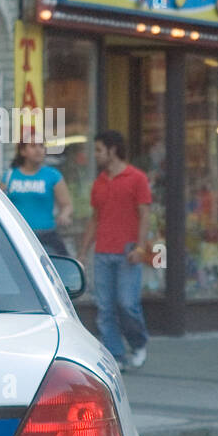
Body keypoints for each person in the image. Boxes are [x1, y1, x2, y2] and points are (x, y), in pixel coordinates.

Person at [81, 130, 152, 370]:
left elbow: (145, 215)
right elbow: (94, 219)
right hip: (102, 252)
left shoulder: (137, 178)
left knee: (127, 303)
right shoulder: (99, 182)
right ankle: (116, 354)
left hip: (127, 251)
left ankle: (138, 342)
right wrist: (82, 252)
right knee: (105, 308)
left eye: (99, 149)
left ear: (112, 150)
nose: (96, 154)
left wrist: (141, 247)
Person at [1, 140, 73, 256]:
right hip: (17, 235)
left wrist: (64, 215)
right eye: (33, 146)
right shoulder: (9, 176)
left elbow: (66, 204)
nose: (38, 150)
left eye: (41, 146)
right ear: (23, 151)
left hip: (46, 236)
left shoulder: (53, 175)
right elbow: (0, 205)